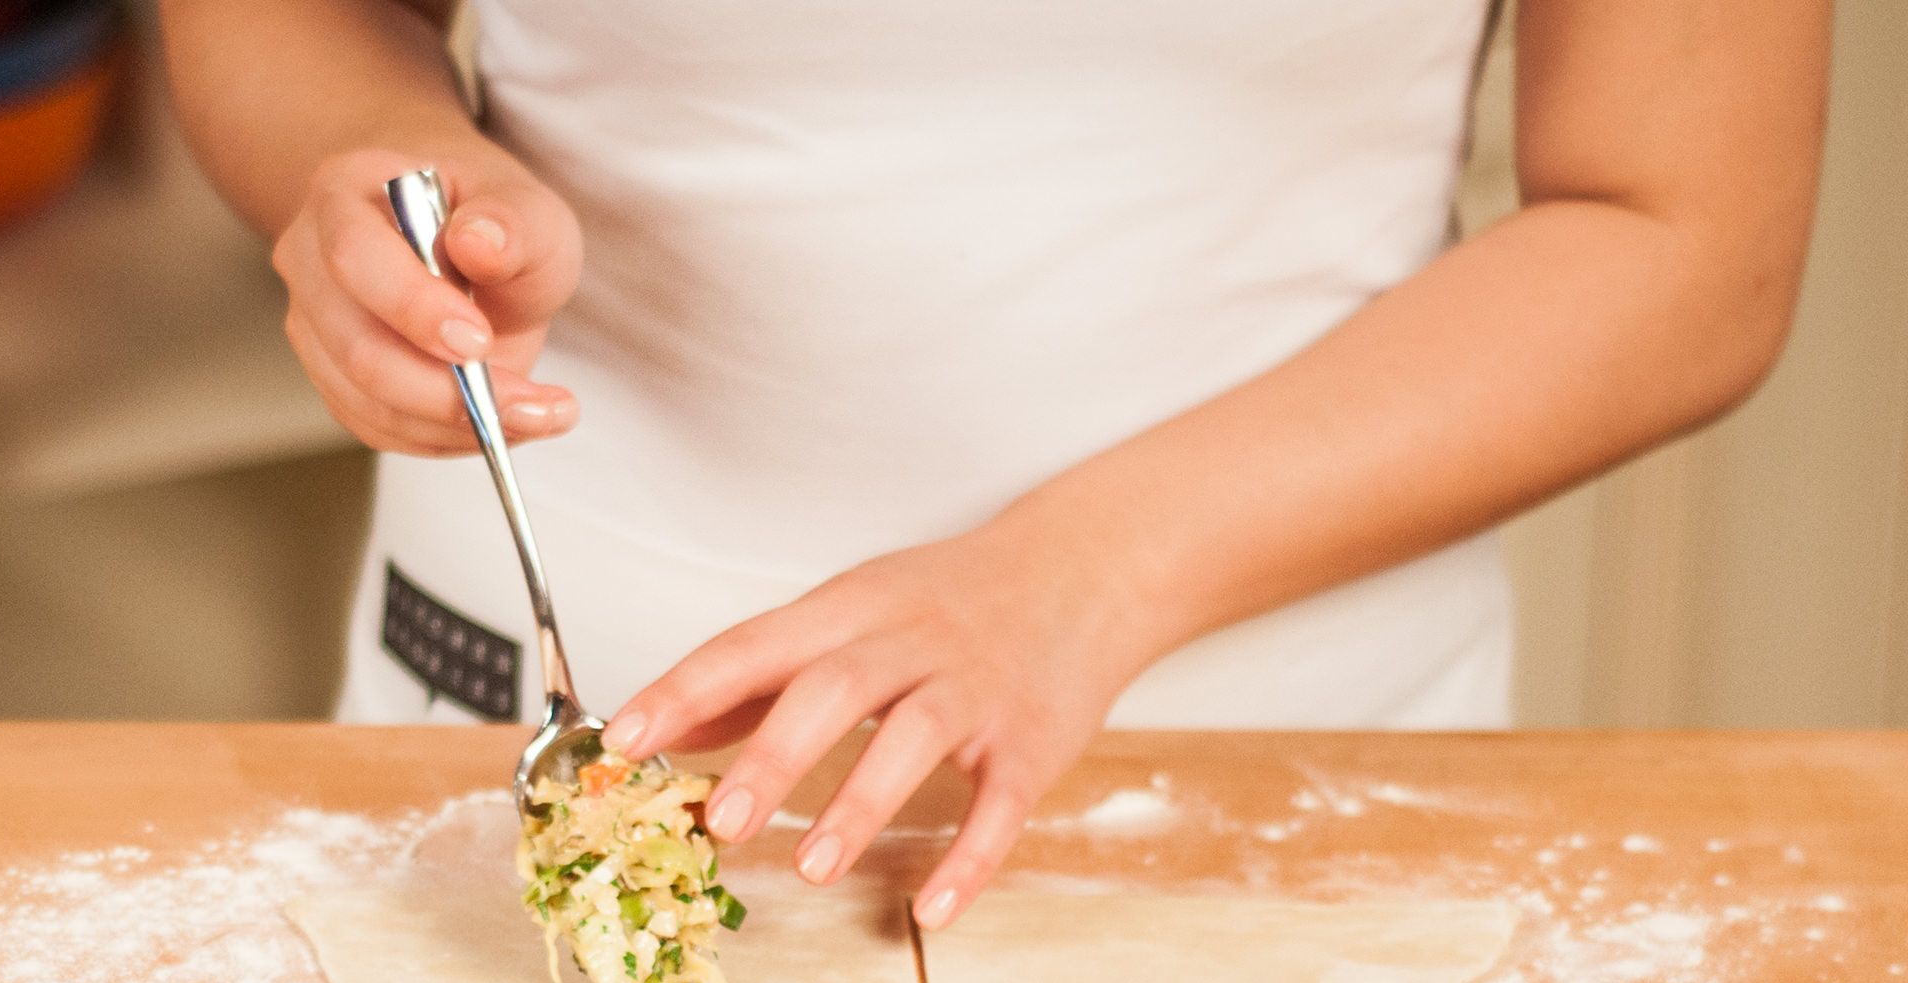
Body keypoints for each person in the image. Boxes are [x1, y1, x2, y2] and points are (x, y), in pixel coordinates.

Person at [162, 0, 1829, 928]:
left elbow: (1688, 234)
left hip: (1274, 790)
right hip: (556, 718)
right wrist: (375, 170)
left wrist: (1082, 573)